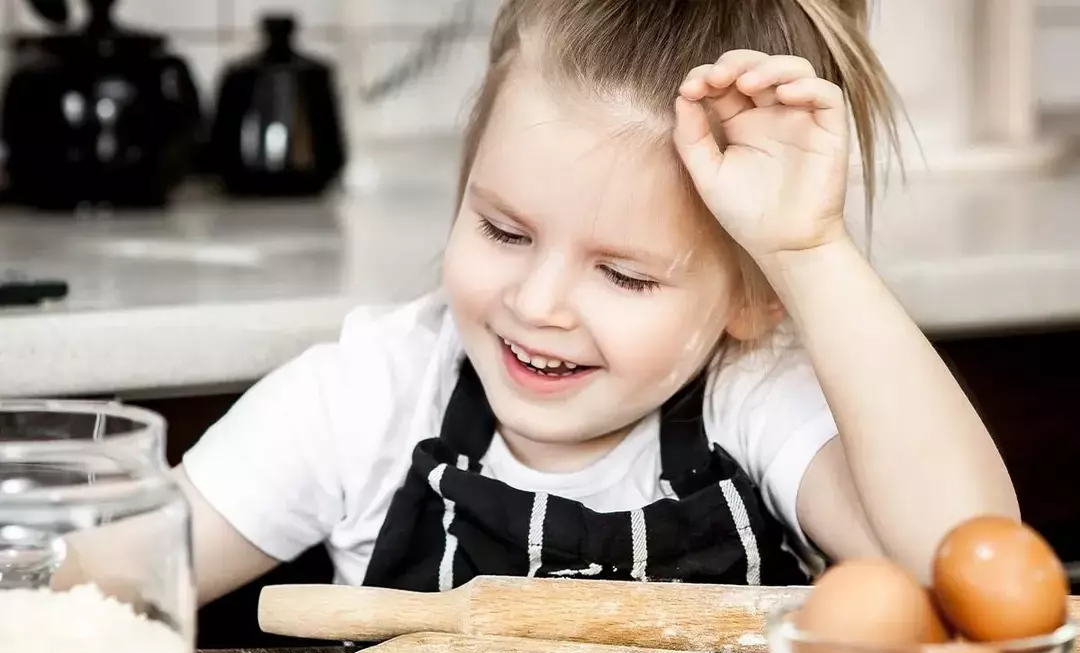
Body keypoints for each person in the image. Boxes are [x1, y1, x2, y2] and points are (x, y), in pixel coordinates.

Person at [176, 0, 1019, 607]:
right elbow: (105, 580)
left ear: (757, 298)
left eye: (626, 276)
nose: (538, 303)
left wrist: (807, 251)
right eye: (504, 231)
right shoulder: (364, 401)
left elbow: (965, 565)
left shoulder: (751, 400)